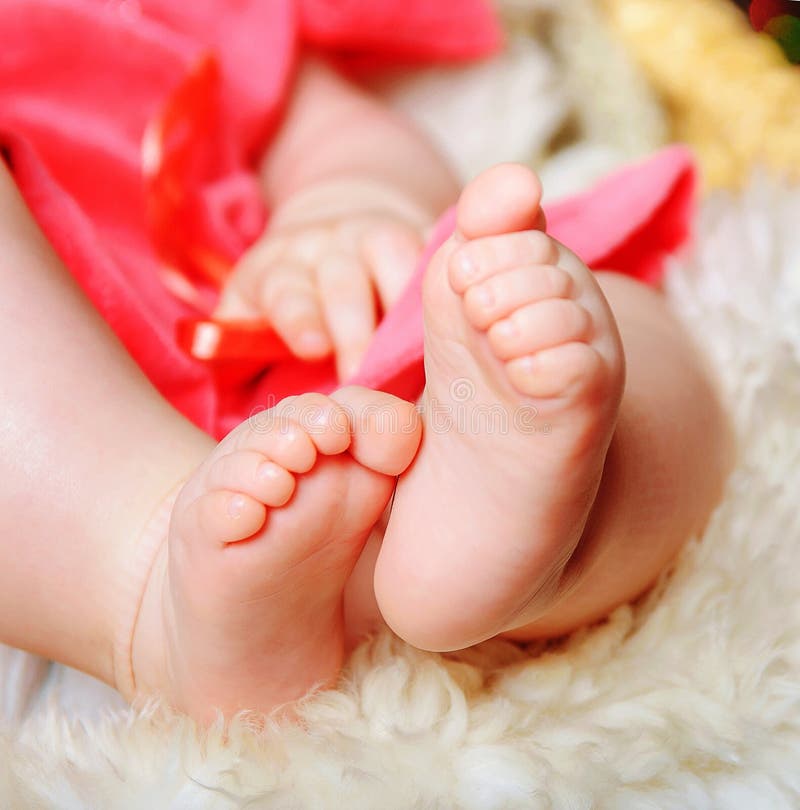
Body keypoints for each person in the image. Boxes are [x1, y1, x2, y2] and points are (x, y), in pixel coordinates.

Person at [0, 17, 732, 723]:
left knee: (601, 313)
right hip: (75, 488)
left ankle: (539, 530)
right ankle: (147, 588)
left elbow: (327, 129)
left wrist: (347, 200)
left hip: (340, 367)